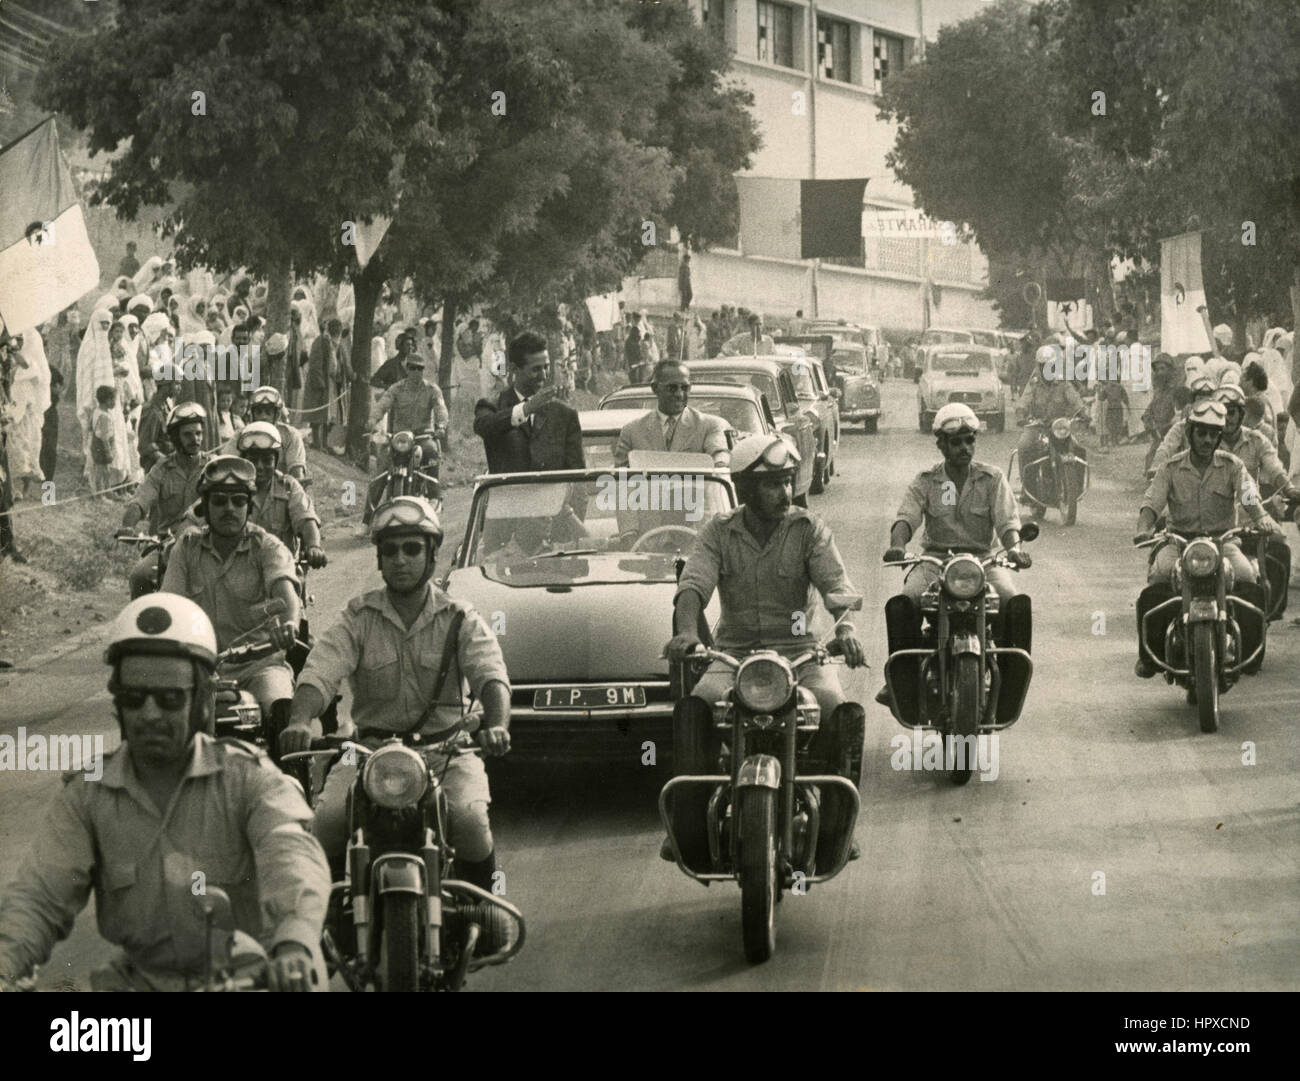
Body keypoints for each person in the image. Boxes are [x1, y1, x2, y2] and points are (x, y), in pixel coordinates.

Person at [0, 593, 328, 992]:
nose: (150, 713)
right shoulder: (88, 795)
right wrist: (5, 962)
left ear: (200, 702)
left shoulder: (249, 779)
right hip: (137, 984)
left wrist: (293, 944)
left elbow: (292, 857)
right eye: (135, 698)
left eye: (170, 698)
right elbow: (38, 898)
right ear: (118, 706)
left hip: (246, 977)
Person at [278, 496, 512, 891]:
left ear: (432, 554)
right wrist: (301, 719)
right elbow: (320, 673)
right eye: (390, 550)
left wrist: (497, 724)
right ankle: (326, 921)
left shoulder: (459, 618)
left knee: (470, 821)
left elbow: (491, 675)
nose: (400, 559)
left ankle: (483, 912)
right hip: (368, 752)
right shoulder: (357, 618)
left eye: (412, 548)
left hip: (445, 752)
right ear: (380, 559)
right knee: (328, 822)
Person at [664, 433, 866, 860]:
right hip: (733, 656)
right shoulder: (717, 532)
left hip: (799, 654)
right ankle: (687, 829)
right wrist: (687, 633)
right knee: (694, 710)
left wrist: (845, 630)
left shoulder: (809, 529)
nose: (785, 492)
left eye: (788, 481)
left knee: (839, 710)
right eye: (772, 483)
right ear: (743, 488)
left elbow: (837, 590)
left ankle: (837, 829)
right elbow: (692, 588)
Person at [878, 403, 1033, 709]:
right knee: (904, 602)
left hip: (983, 562)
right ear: (941, 445)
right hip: (935, 562)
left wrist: (1015, 549)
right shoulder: (926, 480)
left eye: (970, 440)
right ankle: (901, 681)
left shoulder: (992, 478)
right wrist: (898, 545)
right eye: (956, 442)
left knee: (1014, 601)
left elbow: (1007, 522)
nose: (964, 448)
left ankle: (1013, 680)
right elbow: (906, 518)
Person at [1133, 399, 1279, 678]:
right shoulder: (1171, 467)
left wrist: (1260, 517)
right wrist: (1144, 527)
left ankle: (1250, 655)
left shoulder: (1233, 465)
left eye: (1214, 434)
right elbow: (1152, 501)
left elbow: (1248, 495)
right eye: (1202, 433)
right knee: (1159, 578)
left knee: (1248, 577)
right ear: (1191, 433)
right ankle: (1149, 656)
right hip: (1179, 542)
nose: (1208, 440)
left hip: (1222, 542)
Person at [161, 455, 301, 733]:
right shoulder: (186, 549)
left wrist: (288, 625)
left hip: (258, 666)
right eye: (219, 501)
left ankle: (287, 776)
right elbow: (170, 607)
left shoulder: (267, 547)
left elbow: (286, 597)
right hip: (199, 669)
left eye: (238, 501)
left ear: (249, 507)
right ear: (205, 507)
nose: (229, 508)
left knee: (281, 709)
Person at [1212, 385, 1297, 618]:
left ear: (1241, 414)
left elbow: (1274, 467)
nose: (1227, 418)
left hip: (1252, 513)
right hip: (1214, 518)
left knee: (1279, 543)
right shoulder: (1205, 441)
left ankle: (1271, 610)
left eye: (1232, 412)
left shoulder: (1257, 440)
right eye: (1221, 412)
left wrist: (1288, 487)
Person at [119, 402, 212, 598]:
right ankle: (142, 626)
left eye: (198, 433)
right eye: (188, 434)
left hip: (206, 546)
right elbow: (141, 500)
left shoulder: (213, 467)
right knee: (140, 577)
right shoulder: (162, 468)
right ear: (176, 437)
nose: (195, 439)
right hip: (166, 545)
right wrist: (128, 524)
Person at [473, 331, 584, 473]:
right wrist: (525, 409)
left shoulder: (565, 414)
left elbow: (577, 476)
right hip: (508, 495)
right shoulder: (492, 406)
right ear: (514, 369)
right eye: (536, 369)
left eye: (546, 367)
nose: (543, 376)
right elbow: (483, 426)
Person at [236, 422, 326, 566]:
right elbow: (198, 518)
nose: (259, 466)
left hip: (282, 569)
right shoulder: (230, 488)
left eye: (267, 460)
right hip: (241, 573)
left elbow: (306, 519)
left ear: (276, 461)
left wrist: (314, 546)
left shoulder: (288, 486)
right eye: (253, 460)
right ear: (243, 461)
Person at [613, 360, 730, 467]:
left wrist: (720, 464)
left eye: (685, 388)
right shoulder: (632, 432)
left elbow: (719, 452)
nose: (679, 394)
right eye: (672, 388)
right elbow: (621, 478)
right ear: (655, 388)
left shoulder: (709, 426)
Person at [223, 385, 307, 486]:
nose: (263, 416)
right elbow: (225, 466)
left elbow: (297, 475)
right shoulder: (241, 435)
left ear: (277, 415)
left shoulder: (291, 435)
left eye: (268, 412)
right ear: (252, 415)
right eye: (259, 412)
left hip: (280, 491)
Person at [5, 330, 50, 500]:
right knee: (13, 449)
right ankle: (12, 488)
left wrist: (14, 350)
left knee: (29, 447)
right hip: (13, 407)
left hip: (26, 412)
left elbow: (28, 368)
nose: (19, 342)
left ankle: (23, 488)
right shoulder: (11, 358)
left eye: (22, 340)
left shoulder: (31, 362)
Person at [1149, 376, 1219, 473]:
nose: (1205, 405)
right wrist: (1157, 465)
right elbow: (1166, 447)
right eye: (1200, 399)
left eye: (1209, 400)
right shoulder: (1183, 426)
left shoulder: (1224, 428)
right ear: (1193, 403)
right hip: (1188, 474)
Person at [303, 318, 344, 449]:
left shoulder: (335, 343)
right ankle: (317, 442)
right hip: (320, 383)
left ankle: (324, 443)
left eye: (339, 329)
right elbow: (315, 363)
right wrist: (320, 383)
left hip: (330, 382)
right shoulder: (320, 341)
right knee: (317, 416)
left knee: (329, 416)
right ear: (329, 329)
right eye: (335, 328)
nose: (337, 331)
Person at [1141, 354, 1179, 472]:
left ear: (1170, 370)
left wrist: (1166, 426)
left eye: (1163, 369)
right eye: (1157, 370)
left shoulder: (1177, 390)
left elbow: (1179, 414)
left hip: (1172, 434)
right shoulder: (1159, 390)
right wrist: (1147, 419)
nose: (1160, 372)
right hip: (1158, 433)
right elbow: (1151, 407)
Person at [90, 385, 119, 496]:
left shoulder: (97, 411)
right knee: (101, 470)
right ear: (106, 400)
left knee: (106, 470)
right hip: (101, 446)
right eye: (113, 399)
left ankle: (107, 491)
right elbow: (104, 437)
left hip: (98, 443)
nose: (114, 402)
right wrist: (108, 452)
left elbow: (90, 426)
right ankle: (100, 494)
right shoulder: (104, 416)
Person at [40, 366, 64, 485]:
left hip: (49, 412)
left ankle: (47, 488)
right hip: (39, 412)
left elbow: (59, 386)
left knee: (49, 449)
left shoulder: (50, 369)